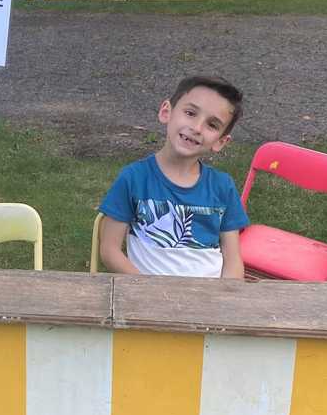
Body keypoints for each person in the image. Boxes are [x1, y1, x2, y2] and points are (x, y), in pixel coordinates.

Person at [97, 76, 248, 278]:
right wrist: (147, 288)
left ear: (220, 142)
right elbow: (109, 250)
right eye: (190, 113)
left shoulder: (223, 186)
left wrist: (226, 296)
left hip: (209, 298)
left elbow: (233, 259)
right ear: (166, 112)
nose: (197, 128)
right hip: (149, 295)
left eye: (212, 125)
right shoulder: (134, 178)